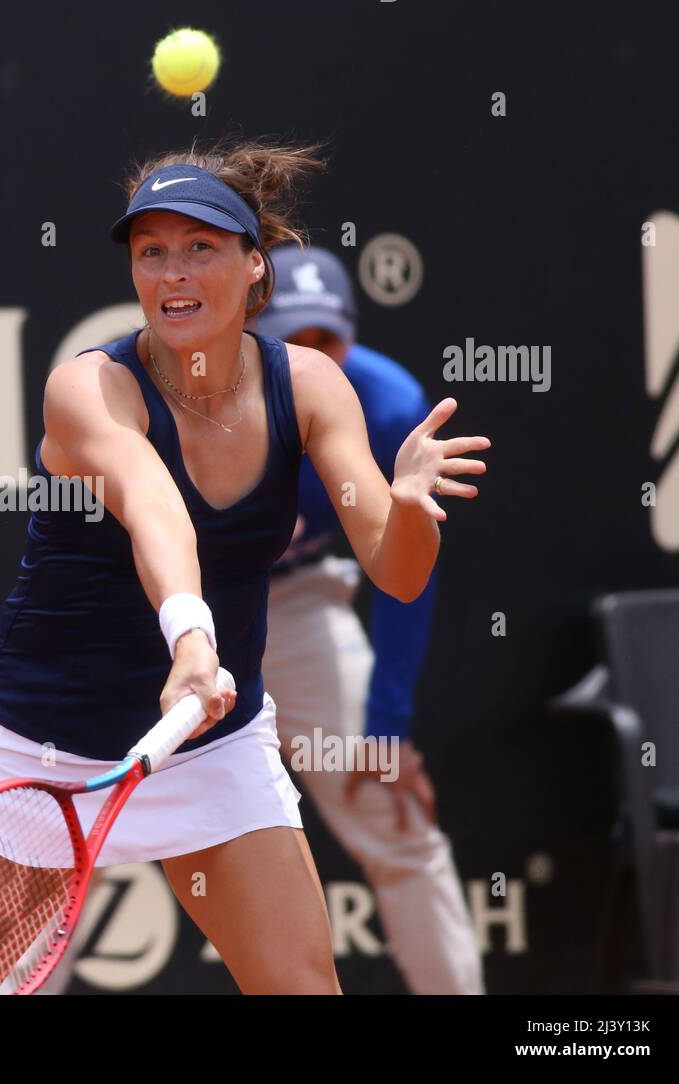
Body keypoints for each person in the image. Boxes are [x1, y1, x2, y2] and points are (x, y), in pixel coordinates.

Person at [0, 137, 490, 995]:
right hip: (44, 749)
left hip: (212, 750)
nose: (172, 274)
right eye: (151, 253)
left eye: (199, 249)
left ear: (254, 267)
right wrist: (193, 641)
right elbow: (152, 503)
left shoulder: (311, 386)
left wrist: (413, 511)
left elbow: (395, 572)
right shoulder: (88, 388)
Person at [254, 244, 485, 994]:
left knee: (389, 804)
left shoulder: (385, 407)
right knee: (73, 826)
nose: (312, 353)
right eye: (294, 336)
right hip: (159, 616)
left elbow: (405, 574)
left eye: (327, 337)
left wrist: (386, 728)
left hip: (291, 605)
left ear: (349, 338)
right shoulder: (196, 387)